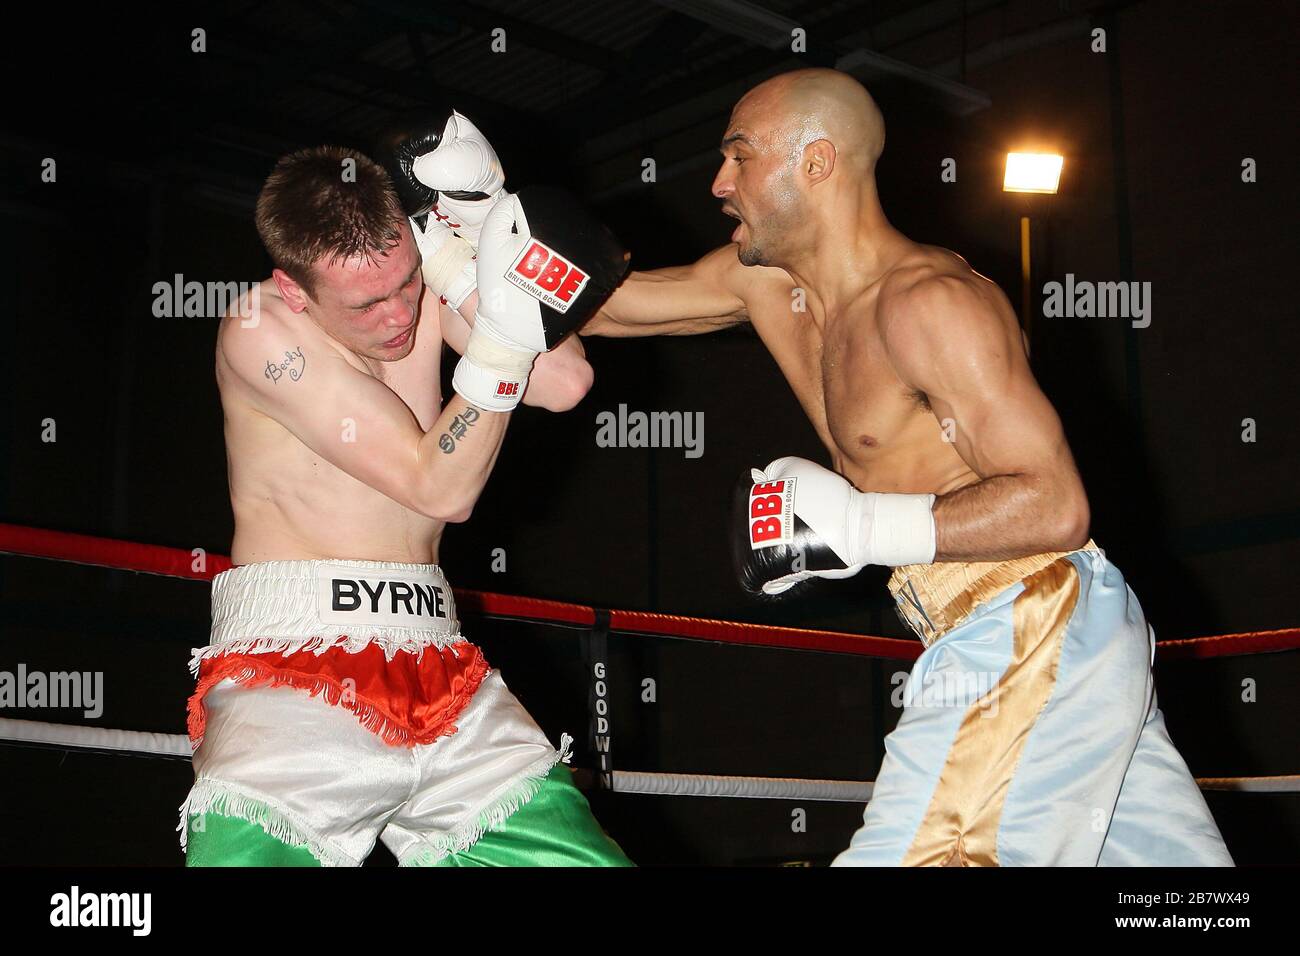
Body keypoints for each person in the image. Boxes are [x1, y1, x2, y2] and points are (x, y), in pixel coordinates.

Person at [581, 68, 1231, 866]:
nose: (718, 184)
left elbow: (1056, 504)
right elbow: (600, 306)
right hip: (1004, 632)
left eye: (739, 157)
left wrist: (860, 527)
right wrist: (456, 238)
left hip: (1026, 612)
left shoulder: (929, 302)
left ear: (816, 164)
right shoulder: (764, 283)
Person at [179, 118, 631, 866]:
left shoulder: (415, 276)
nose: (398, 318)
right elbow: (440, 488)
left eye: (405, 285)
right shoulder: (260, 329)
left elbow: (564, 380)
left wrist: (480, 236)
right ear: (296, 289)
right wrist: (503, 336)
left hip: (437, 654)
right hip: (292, 668)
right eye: (364, 306)